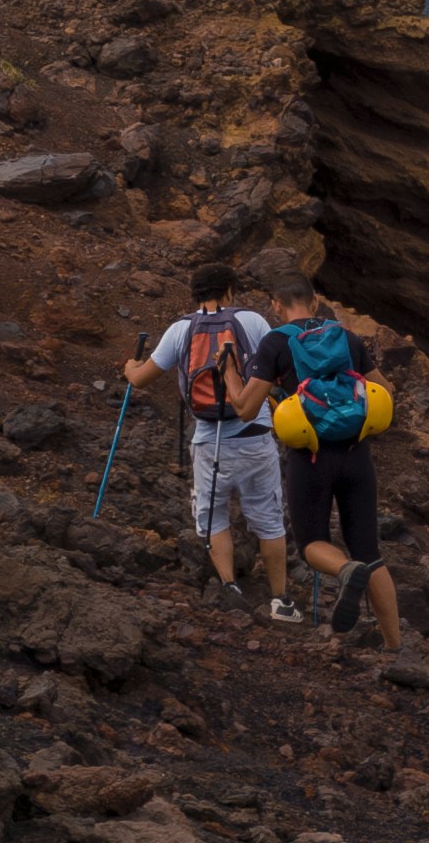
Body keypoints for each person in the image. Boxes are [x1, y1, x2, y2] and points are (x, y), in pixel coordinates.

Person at [121, 279, 288, 617]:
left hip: (209, 440)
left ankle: (229, 586)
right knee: (269, 521)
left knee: (213, 515)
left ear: (193, 294)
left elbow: (141, 379)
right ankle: (280, 601)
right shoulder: (252, 321)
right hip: (256, 435)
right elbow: (279, 369)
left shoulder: (181, 328)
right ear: (229, 292)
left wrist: (130, 368)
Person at [262, 274, 406, 654]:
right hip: (356, 456)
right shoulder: (347, 338)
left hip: (309, 458)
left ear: (276, 305)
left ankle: (344, 571)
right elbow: (386, 392)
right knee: (369, 552)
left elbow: (245, 408)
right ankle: (395, 648)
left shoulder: (275, 343)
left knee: (312, 542)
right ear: (315, 302)